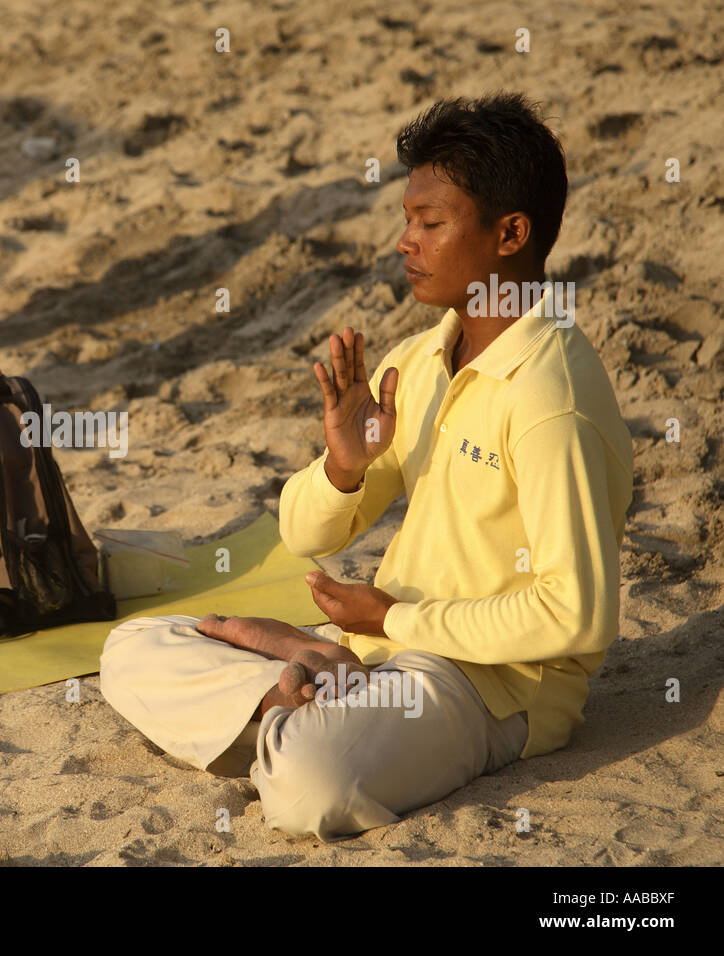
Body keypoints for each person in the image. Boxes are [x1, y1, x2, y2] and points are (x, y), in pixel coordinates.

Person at [100, 92, 635, 840]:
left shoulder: (553, 395)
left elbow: (575, 614)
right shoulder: (420, 361)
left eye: (430, 223)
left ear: (510, 234)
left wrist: (391, 616)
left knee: (310, 787)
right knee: (128, 649)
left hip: (485, 689)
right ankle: (297, 684)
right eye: (406, 220)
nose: (403, 243)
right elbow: (302, 531)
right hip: (378, 652)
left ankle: (292, 693)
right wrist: (344, 470)